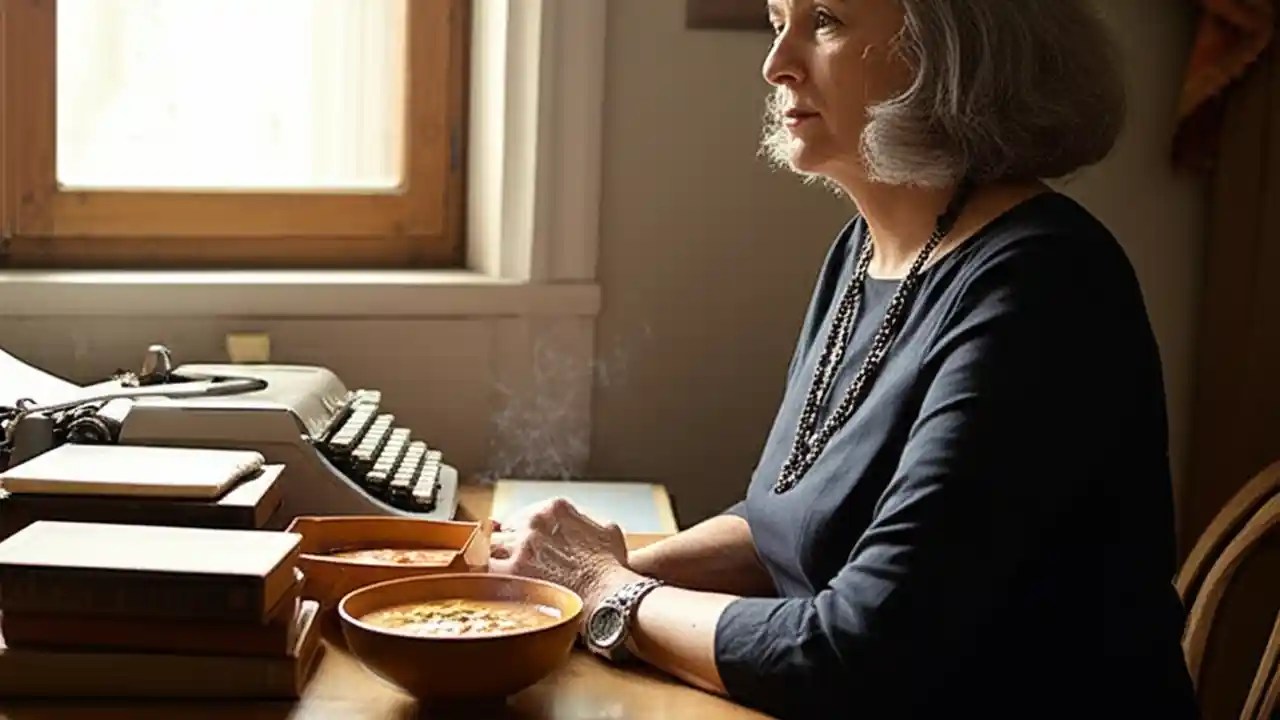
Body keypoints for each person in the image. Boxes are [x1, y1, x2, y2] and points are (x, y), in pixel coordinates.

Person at [489, 1, 1200, 717]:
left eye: (824, 20)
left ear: (954, 49)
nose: (776, 65)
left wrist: (611, 593)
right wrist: (576, 576)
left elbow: (860, 653)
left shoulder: (1043, 287)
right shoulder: (864, 251)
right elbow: (786, 528)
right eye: (777, 21)